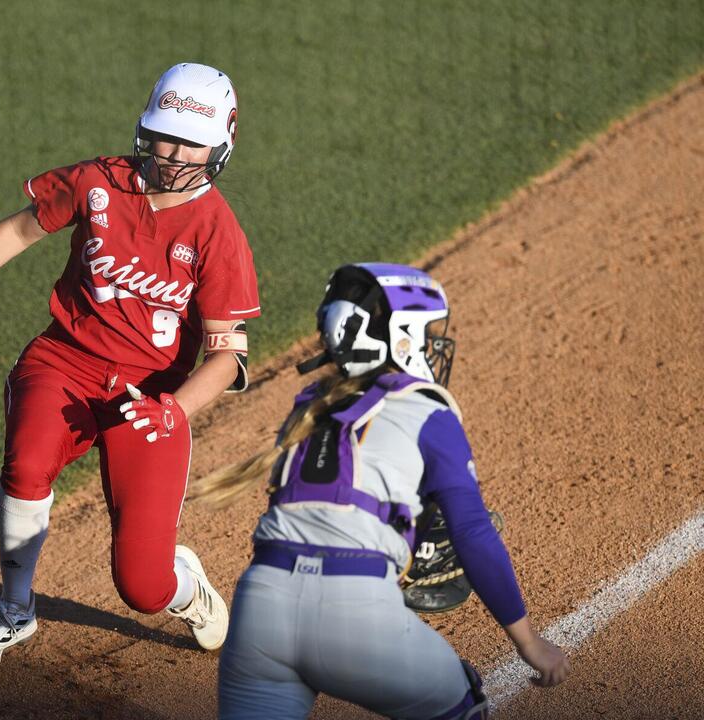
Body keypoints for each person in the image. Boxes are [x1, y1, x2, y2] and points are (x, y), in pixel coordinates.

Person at [0, 62, 259, 673]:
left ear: (220, 145)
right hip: (66, 359)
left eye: (191, 142)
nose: (174, 152)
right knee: (27, 462)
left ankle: (185, 587)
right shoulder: (99, 182)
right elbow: (21, 228)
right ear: (145, 127)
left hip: (150, 398)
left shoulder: (218, 232)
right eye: (165, 134)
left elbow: (226, 355)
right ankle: (14, 609)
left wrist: (174, 408)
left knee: (143, 588)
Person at [191, 263, 568, 719]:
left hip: (260, 611)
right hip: (354, 618)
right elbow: (471, 530)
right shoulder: (428, 414)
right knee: (461, 705)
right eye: (423, 334)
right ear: (400, 336)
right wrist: (528, 643)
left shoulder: (307, 408)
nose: (430, 345)